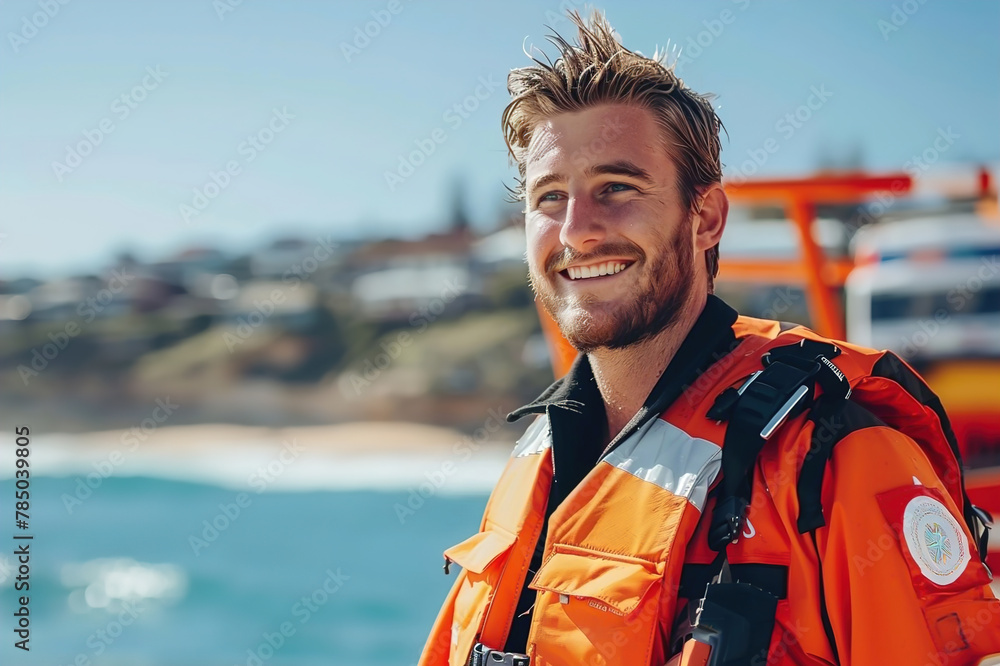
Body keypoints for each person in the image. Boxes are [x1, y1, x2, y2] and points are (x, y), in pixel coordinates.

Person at [419, 10, 1000, 666]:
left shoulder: (838, 459)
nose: (577, 230)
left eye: (617, 187)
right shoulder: (540, 460)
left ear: (707, 217)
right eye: (550, 197)